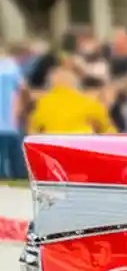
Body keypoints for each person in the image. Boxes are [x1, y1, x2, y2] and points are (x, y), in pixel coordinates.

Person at [26, 53, 117, 135]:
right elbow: (110, 133)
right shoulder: (90, 103)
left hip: (52, 150)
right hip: (81, 149)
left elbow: (32, 134)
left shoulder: (41, 105)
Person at [0, 47, 24, 178]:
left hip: (8, 123)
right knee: (14, 162)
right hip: (10, 124)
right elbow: (21, 90)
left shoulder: (10, 66)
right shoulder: (11, 66)